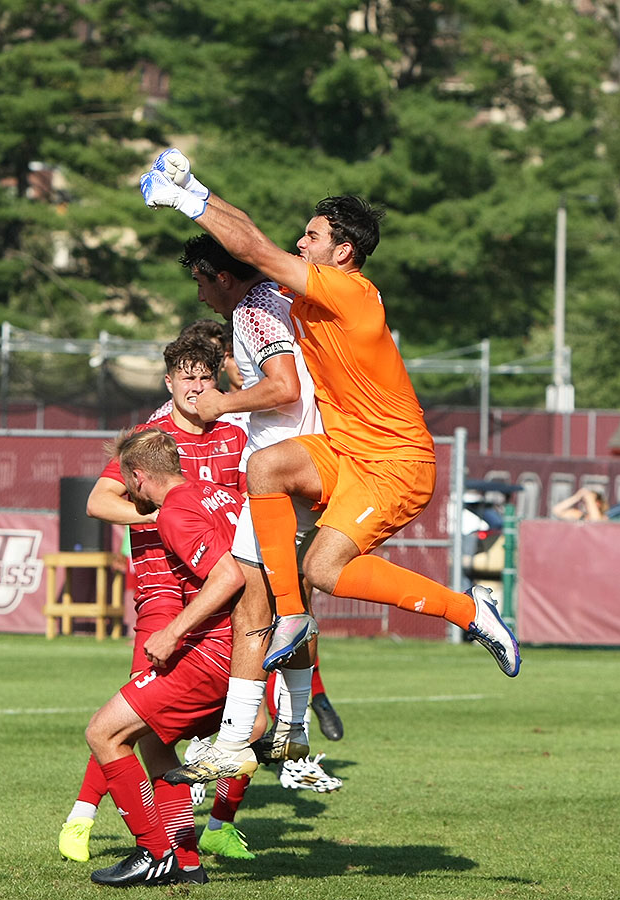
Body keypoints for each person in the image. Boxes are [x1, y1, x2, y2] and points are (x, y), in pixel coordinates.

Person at [141, 149, 521, 777]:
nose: (301, 240)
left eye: (313, 235)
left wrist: (187, 200)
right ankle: (288, 667)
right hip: (344, 451)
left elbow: (258, 252)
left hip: (395, 463)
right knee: (264, 469)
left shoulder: (349, 292)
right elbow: (254, 250)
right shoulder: (303, 296)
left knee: (326, 569)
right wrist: (196, 186)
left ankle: (470, 611)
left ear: (343, 251)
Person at [57, 332, 251, 862]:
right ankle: (111, 824)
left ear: (217, 381)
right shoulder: (152, 438)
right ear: (169, 384)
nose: (195, 387)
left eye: (204, 377)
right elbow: (98, 500)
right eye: (184, 378)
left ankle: (188, 838)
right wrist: (158, 514)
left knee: (184, 721)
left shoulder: (237, 435)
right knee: (144, 721)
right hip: (164, 596)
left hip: (222, 594)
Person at [167, 234, 343, 792]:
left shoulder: (254, 310)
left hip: (286, 474)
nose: (199, 296)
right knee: (287, 608)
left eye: (199, 281)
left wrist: (223, 402)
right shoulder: (283, 298)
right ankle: (290, 738)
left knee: (256, 607)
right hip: (313, 468)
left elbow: (284, 387)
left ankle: (236, 742)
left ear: (219, 275)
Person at [83, 427, 245, 886]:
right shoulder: (219, 494)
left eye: (128, 483)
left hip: (211, 655)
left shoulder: (174, 510)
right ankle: (185, 861)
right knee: (154, 741)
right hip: (241, 653)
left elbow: (227, 575)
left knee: (104, 733)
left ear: (137, 476)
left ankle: (153, 852)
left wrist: (173, 631)